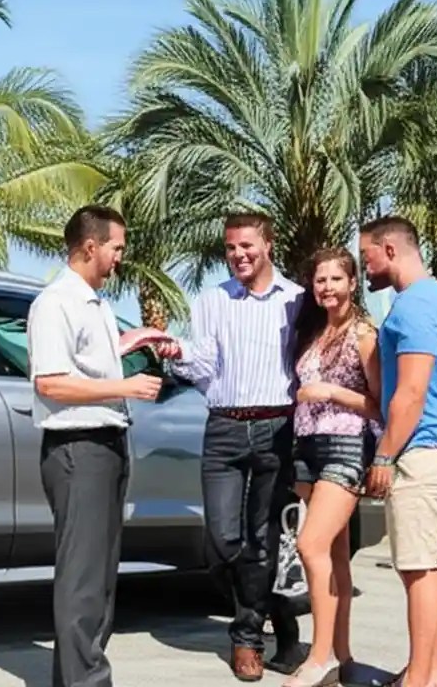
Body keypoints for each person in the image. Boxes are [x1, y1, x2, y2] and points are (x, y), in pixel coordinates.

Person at [157, 213, 305, 682]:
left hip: (275, 428)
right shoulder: (211, 300)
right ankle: (277, 609)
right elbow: (205, 366)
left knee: (262, 543)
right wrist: (176, 353)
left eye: (246, 245)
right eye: (230, 248)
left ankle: (246, 640)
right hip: (223, 428)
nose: (238, 255)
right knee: (222, 543)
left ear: (268, 244)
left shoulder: (298, 301)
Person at [26, 203, 163, 687]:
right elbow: (52, 383)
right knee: (82, 580)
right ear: (91, 246)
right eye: (116, 248)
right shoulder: (55, 304)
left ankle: (77, 679)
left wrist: (130, 342)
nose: (120, 258)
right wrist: (127, 388)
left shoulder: (94, 304)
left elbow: (85, 364)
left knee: (101, 579)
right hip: (76, 448)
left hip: (106, 445)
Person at [358, 216, 437, 687]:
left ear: (389, 250)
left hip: (423, 448)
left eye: (366, 256)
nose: (365, 267)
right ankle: (430, 674)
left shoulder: (414, 307)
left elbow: (410, 393)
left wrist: (384, 455)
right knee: (430, 567)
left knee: (417, 570)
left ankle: (419, 680)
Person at [282, 248, 382, 687]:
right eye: (319, 280)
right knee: (335, 554)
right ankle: (341, 655)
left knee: (311, 545)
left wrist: (330, 392)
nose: (326, 288)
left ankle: (318, 658)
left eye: (335, 280)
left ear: (352, 282)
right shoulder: (316, 332)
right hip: (308, 446)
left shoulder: (363, 333)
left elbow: (378, 404)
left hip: (346, 445)